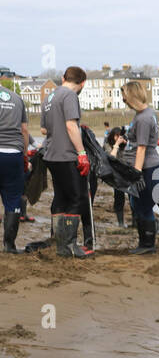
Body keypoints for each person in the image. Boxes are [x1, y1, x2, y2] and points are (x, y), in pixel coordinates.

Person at [40, 66, 91, 257]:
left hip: (51, 155)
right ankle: (69, 245)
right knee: (76, 198)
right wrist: (82, 153)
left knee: (60, 198)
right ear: (82, 82)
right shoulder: (70, 96)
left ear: (63, 78)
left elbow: (44, 130)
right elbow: (71, 125)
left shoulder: (49, 97)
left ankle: (60, 244)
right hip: (66, 154)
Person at [121, 80, 159, 255]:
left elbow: (142, 149)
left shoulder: (144, 118)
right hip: (147, 166)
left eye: (125, 96)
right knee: (139, 205)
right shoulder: (144, 114)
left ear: (132, 95)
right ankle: (145, 243)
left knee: (144, 206)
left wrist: (136, 174)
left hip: (146, 168)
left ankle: (147, 245)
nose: (123, 100)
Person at [0, 82, 30, 254]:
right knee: (12, 200)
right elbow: (24, 130)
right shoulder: (16, 98)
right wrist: (24, 154)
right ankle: (9, 245)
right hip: (13, 154)